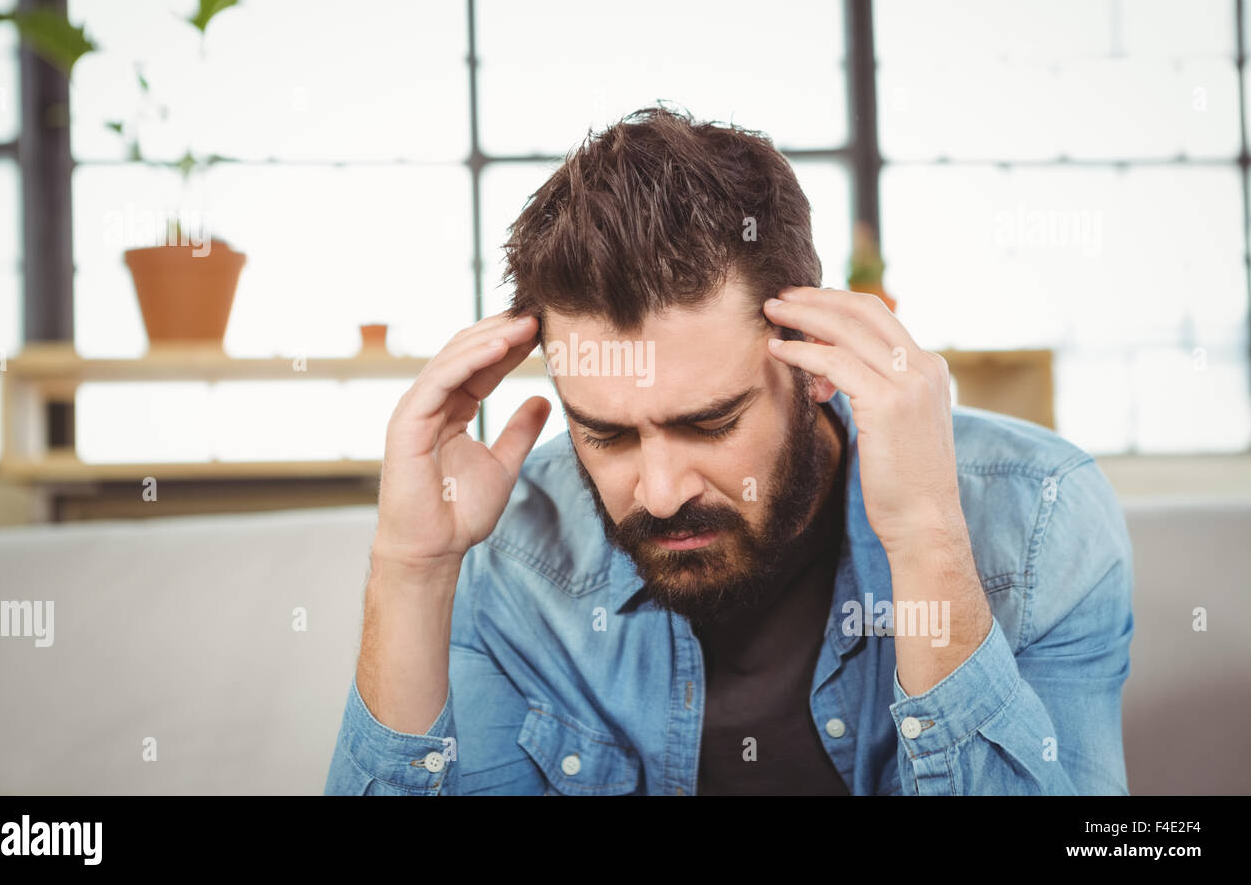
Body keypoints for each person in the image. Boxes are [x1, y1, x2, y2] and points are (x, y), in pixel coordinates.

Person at [324, 105, 1133, 795]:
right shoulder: (512, 554)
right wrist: (410, 569)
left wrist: (925, 536)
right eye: (605, 434)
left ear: (814, 361)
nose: (663, 490)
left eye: (710, 423)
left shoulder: (1038, 519)